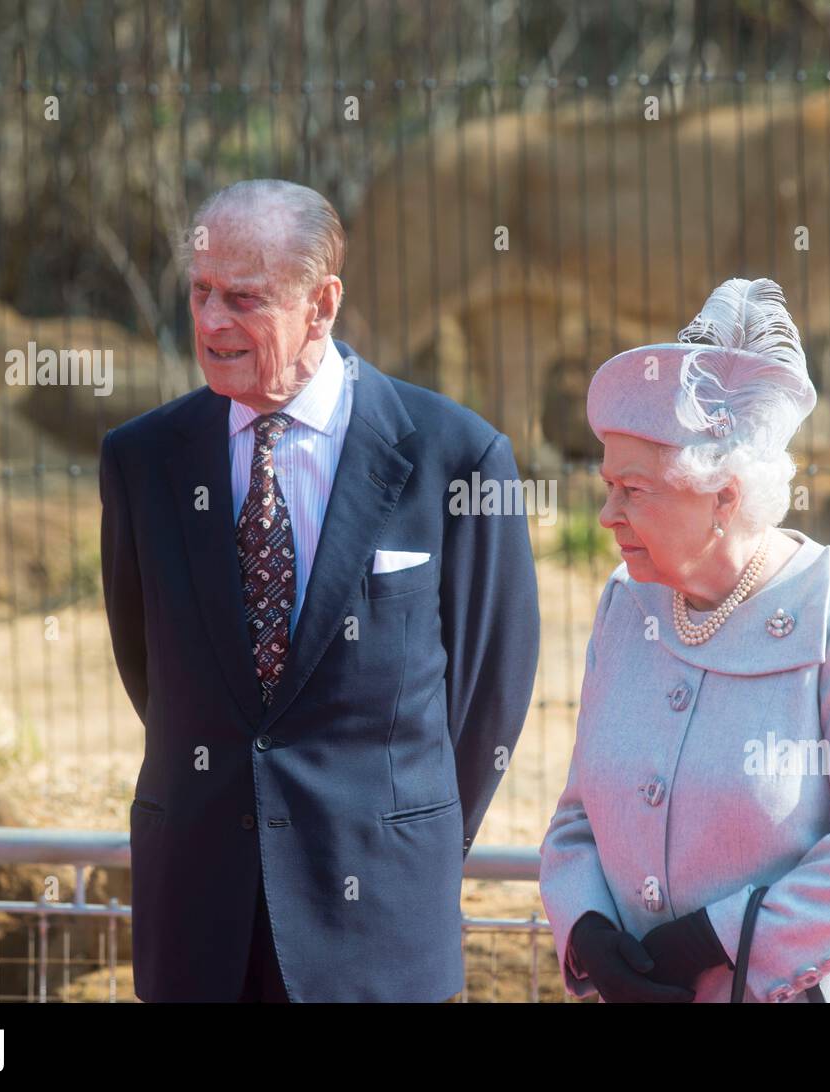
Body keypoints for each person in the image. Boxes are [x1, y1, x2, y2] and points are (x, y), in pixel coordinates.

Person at [99, 179, 540, 1002]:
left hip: (378, 923)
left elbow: (488, 695)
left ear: (322, 304)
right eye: (200, 293)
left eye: (244, 298)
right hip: (199, 924)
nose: (211, 321)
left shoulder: (460, 460)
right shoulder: (142, 461)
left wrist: (408, 831)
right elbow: (152, 672)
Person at [539, 277, 830, 1002]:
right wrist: (591, 933)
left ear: (723, 496)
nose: (606, 515)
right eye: (607, 486)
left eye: (634, 490)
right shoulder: (626, 606)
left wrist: (714, 942)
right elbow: (576, 821)